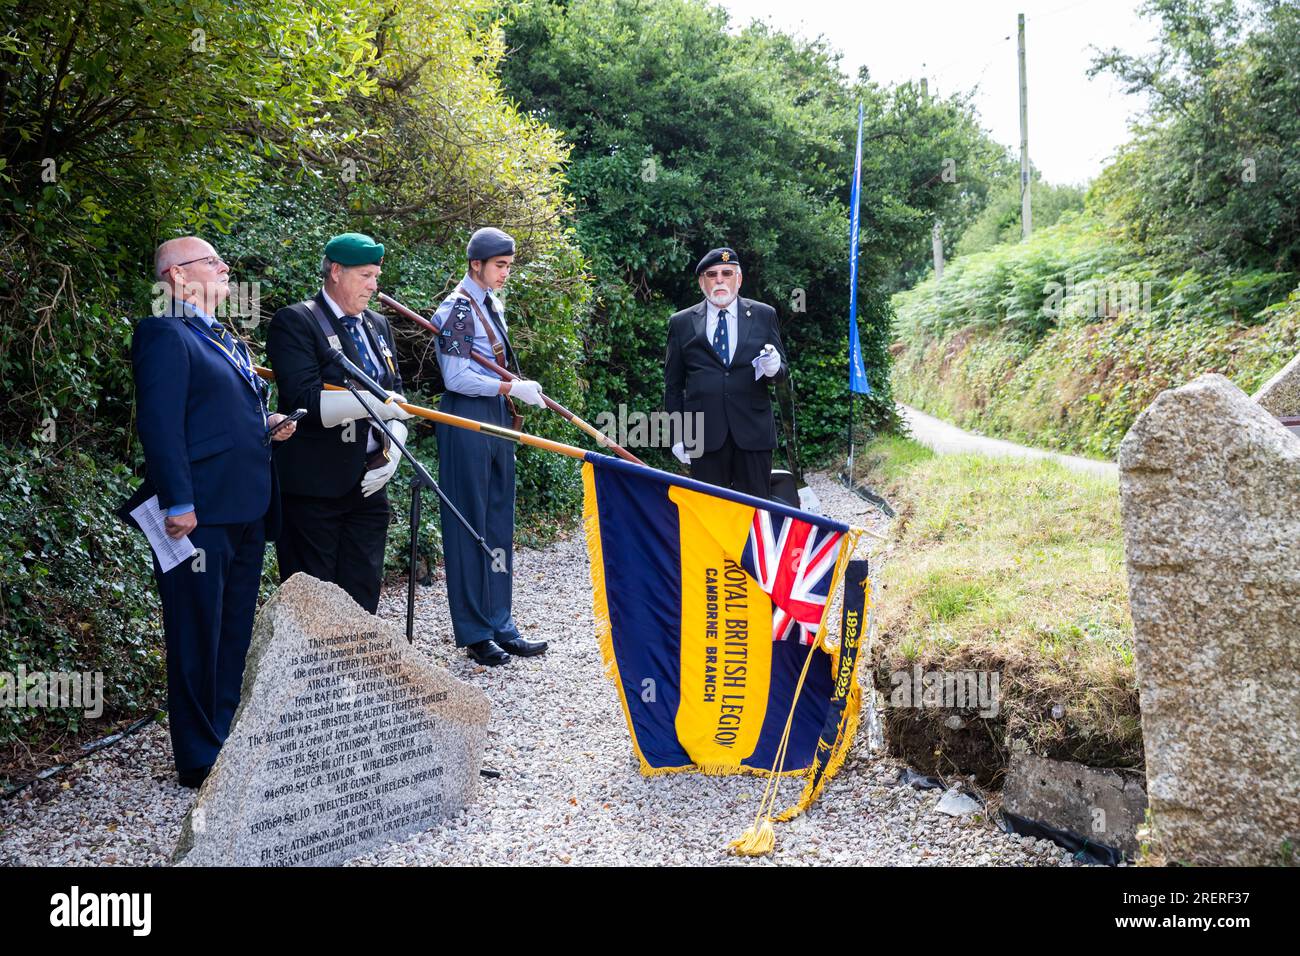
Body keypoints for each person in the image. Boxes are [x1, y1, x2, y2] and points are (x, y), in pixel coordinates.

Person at [132, 236, 296, 788]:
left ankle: (224, 733)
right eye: (212, 262)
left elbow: (218, 415)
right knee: (196, 629)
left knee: (231, 629)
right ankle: (198, 755)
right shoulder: (163, 333)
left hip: (246, 504)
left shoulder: (222, 336)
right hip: (198, 511)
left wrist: (267, 424)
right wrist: (179, 501)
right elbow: (160, 425)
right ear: (178, 277)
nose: (226, 268)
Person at [266, 233, 414, 614]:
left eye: (376, 276)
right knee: (312, 607)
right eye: (365, 275)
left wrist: (393, 449)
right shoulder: (297, 321)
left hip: (367, 487)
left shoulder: (378, 324)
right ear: (335, 271)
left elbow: (396, 391)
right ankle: (309, 677)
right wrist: (378, 407)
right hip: (313, 490)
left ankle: (357, 674)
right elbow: (305, 400)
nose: (374, 285)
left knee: (362, 599)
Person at [431, 227, 548, 666]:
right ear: (475, 264)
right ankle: (475, 631)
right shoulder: (458, 310)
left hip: (496, 415)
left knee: (498, 518)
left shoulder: (490, 303)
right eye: (500, 266)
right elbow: (456, 377)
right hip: (465, 416)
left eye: (508, 266)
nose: (505, 274)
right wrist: (508, 388)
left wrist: (510, 391)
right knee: (469, 522)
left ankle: (502, 623)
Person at [664, 246, 788, 499]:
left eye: (726, 273)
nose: (719, 280)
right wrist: (677, 436)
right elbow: (673, 385)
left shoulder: (764, 315)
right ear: (702, 282)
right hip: (704, 436)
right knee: (710, 514)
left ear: (739, 279)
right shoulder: (681, 322)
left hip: (753, 434)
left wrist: (774, 369)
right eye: (712, 275)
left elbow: (782, 371)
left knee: (755, 512)